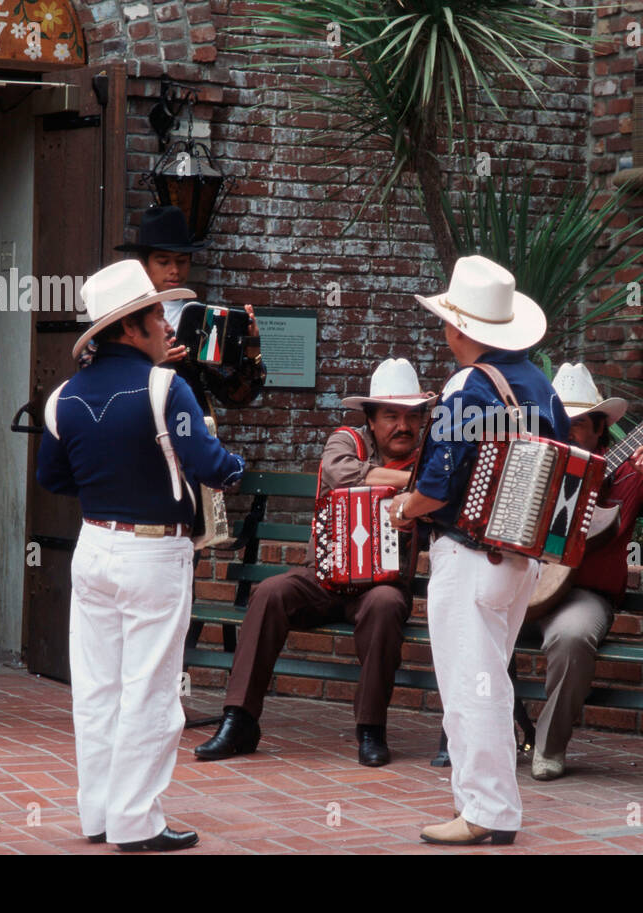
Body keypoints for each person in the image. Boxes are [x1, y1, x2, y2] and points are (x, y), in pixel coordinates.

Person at [36, 259, 244, 852]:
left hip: (94, 544)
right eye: (156, 314)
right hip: (153, 554)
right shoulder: (164, 386)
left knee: (97, 690)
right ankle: (137, 822)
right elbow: (209, 465)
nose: (165, 324)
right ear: (129, 327)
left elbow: (54, 478)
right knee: (151, 691)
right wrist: (236, 467)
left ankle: (98, 815)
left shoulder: (63, 397)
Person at [388, 255, 566, 846]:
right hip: (518, 558)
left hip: (468, 555)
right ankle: (490, 808)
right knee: (489, 676)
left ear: (459, 328)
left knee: (471, 682)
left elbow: (438, 486)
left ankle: (486, 810)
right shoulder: (539, 382)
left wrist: (400, 508)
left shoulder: (468, 385)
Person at [194, 357, 435, 767]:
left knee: (386, 606)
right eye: (392, 415)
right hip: (322, 574)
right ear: (371, 419)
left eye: (412, 416)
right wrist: (414, 486)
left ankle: (371, 729)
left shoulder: (429, 457)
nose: (404, 426)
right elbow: (340, 474)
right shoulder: (346, 441)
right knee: (270, 592)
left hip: (382, 583)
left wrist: (411, 486)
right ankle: (240, 719)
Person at [528, 362, 643, 781]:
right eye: (559, 421)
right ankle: (481, 737)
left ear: (598, 427)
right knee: (477, 619)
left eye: (576, 423)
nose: (565, 429)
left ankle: (549, 748)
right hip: (523, 583)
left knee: (572, 638)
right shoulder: (533, 459)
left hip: (583, 593)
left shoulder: (629, 470)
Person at [96, 205, 266, 412]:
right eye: (163, 262)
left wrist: (252, 355)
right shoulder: (121, 315)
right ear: (143, 264)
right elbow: (94, 375)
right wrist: (152, 360)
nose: (174, 270)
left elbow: (233, 396)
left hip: (187, 429)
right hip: (134, 422)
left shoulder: (203, 319)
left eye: (182, 261)